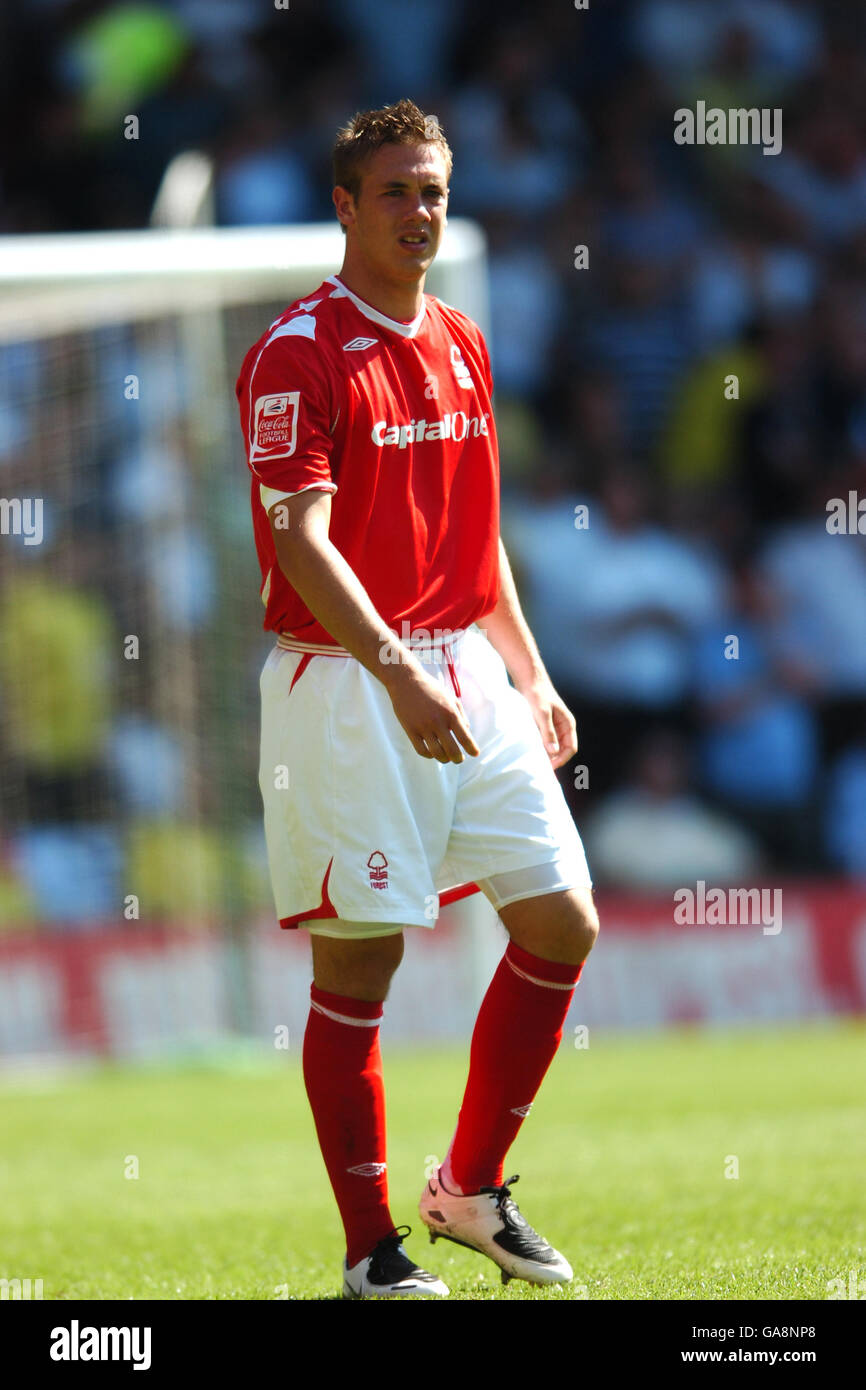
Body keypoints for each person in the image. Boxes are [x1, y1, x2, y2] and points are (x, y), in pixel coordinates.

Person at [235, 99, 599, 1300]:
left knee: (560, 920)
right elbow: (300, 543)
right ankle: (368, 1251)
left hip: (467, 668)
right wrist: (394, 673)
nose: (419, 211)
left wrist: (530, 672)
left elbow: (475, 535)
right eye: (393, 191)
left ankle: (469, 1188)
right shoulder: (297, 352)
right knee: (361, 972)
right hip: (346, 681)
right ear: (344, 206)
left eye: (433, 189)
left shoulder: (462, 339)